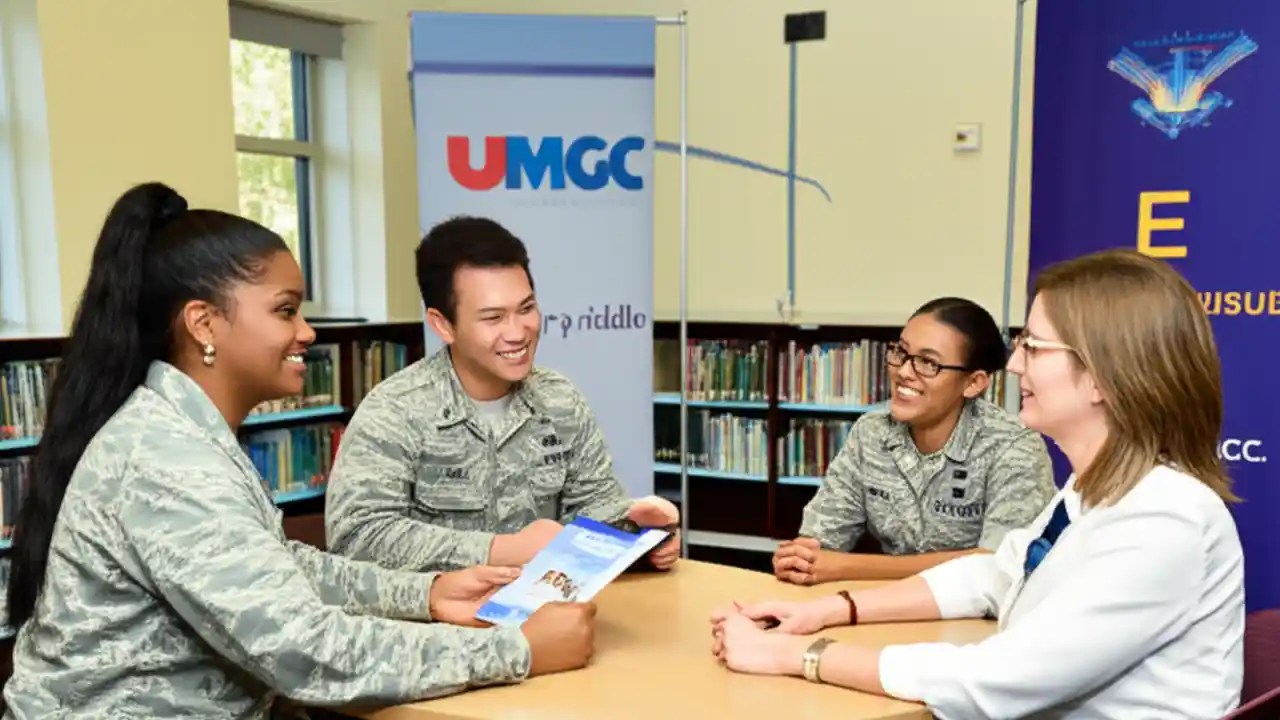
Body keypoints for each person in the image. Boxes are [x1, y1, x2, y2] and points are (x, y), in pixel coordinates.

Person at [2, 184, 597, 719]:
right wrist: (514, 649)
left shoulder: (186, 433)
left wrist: (427, 592)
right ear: (204, 325)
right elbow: (305, 649)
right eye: (285, 310)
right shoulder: (166, 460)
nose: (307, 332)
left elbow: (280, 566)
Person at [712, 249, 1245, 719]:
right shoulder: (1094, 491)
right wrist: (827, 609)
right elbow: (995, 573)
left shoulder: (1165, 521)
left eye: (1034, 347)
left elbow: (997, 679)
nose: (1014, 365)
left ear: (1104, 378)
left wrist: (795, 656)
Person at [324, 216, 680, 573]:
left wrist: (634, 526)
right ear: (442, 324)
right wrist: (500, 550)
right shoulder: (394, 411)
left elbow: (591, 506)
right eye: (493, 318)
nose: (517, 332)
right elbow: (357, 538)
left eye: (526, 308)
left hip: (549, 615)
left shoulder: (559, 400)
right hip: (436, 624)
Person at [773, 297, 1056, 584]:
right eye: (901, 352)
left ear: (973, 383)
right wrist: (801, 559)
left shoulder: (1014, 446)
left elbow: (998, 566)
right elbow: (821, 538)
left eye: (928, 363)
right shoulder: (872, 432)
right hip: (888, 611)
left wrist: (847, 567)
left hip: (980, 621)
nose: (904, 372)